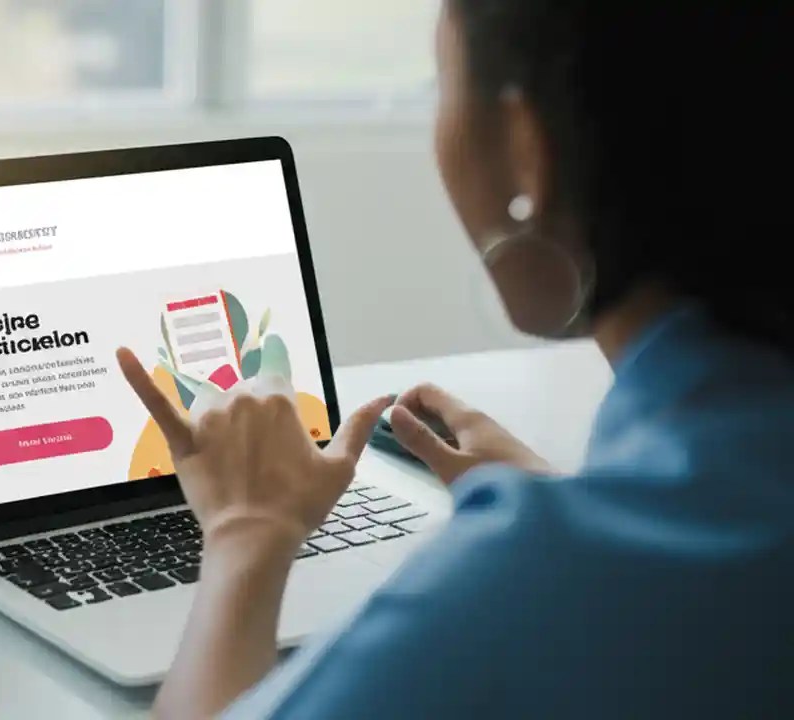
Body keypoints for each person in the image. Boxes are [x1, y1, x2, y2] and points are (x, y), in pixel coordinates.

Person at [116, 2, 792, 717]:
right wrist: (585, 506)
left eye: (441, 86)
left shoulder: (522, 582)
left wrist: (246, 532)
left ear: (527, 148)